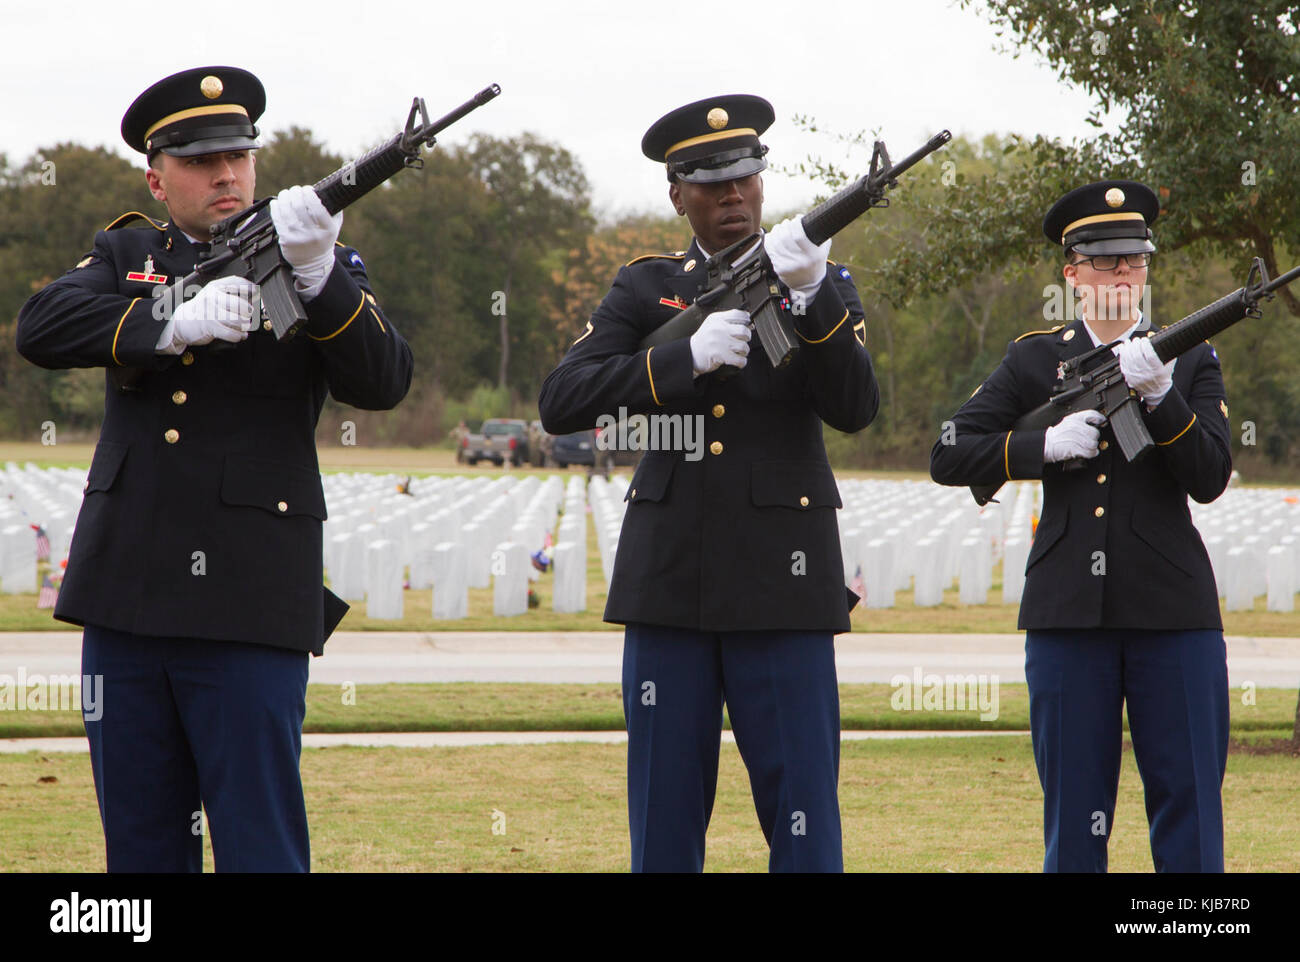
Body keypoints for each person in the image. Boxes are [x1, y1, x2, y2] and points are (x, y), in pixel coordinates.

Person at [16, 66, 413, 872]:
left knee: (260, 843)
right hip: (127, 597)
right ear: (157, 178)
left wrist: (317, 271)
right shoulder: (128, 252)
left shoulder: (316, 253)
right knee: (141, 846)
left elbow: (383, 380)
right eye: (200, 161)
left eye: (237, 155)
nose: (225, 173)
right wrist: (170, 318)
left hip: (251, 602)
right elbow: (42, 326)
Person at [538, 95, 879, 872]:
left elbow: (856, 407)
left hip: (785, 586)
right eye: (711, 183)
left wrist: (812, 294)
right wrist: (678, 361)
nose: (733, 195)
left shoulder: (822, 279)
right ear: (676, 193)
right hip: (671, 585)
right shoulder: (646, 287)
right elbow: (563, 400)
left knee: (803, 820)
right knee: (663, 820)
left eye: (746, 178)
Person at [929, 180, 1232, 872]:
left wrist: (1160, 397)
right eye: (1105, 261)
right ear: (1071, 273)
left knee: (1188, 807)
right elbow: (949, 450)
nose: (1122, 274)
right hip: (1067, 615)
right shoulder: (1033, 360)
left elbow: (1209, 475)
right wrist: (1039, 448)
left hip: (1173, 614)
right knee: (1073, 816)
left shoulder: (1188, 358)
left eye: (1135, 261)